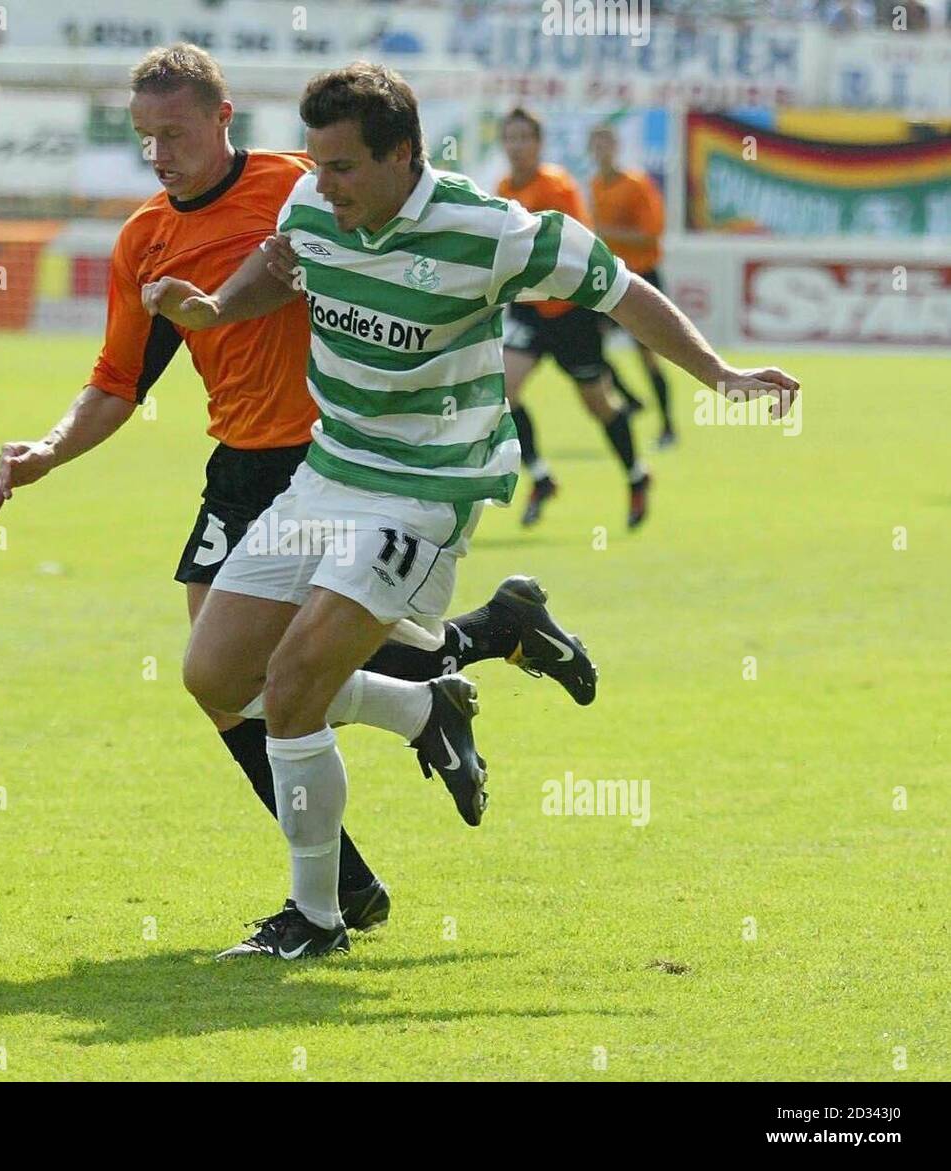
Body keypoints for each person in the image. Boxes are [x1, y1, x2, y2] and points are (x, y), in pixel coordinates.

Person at [143, 63, 798, 959]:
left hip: (427, 490)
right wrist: (216, 308)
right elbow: (283, 263)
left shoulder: (486, 230)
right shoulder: (309, 204)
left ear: (402, 156)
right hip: (329, 474)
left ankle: (319, 917)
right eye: (315, 164)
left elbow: (622, 289)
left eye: (341, 168)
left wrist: (719, 373)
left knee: (293, 685)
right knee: (214, 676)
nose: (319, 184)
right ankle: (427, 707)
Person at [0, 45, 599, 939]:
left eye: (175, 132)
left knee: (286, 672)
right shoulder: (144, 239)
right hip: (242, 462)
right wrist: (48, 449)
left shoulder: (304, 183)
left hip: (337, 456)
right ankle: (464, 663)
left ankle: (340, 885)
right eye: (144, 137)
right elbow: (120, 379)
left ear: (223, 117)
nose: (159, 153)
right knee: (227, 680)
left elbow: (416, 242)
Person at [497, 107, 650, 528]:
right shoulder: (503, 188)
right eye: (510, 138)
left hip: (569, 314)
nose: (517, 146)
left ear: (539, 143)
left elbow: (577, 249)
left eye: (524, 137)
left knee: (598, 404)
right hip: (530, 313)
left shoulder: (557, 187)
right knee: (502, 393)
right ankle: (542, 477)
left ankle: (636, 476)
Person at [589, 123, 676, 447]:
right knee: (590, 346)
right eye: (596, 145)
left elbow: (651, 234)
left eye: (606, 144)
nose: (601, 151)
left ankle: (668, 426)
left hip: (641, 279)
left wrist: (603, 232)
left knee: (648, 356)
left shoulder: (637, 184)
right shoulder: (595, 185)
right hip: (610, 279)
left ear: (616, 147)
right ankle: (632, 400)